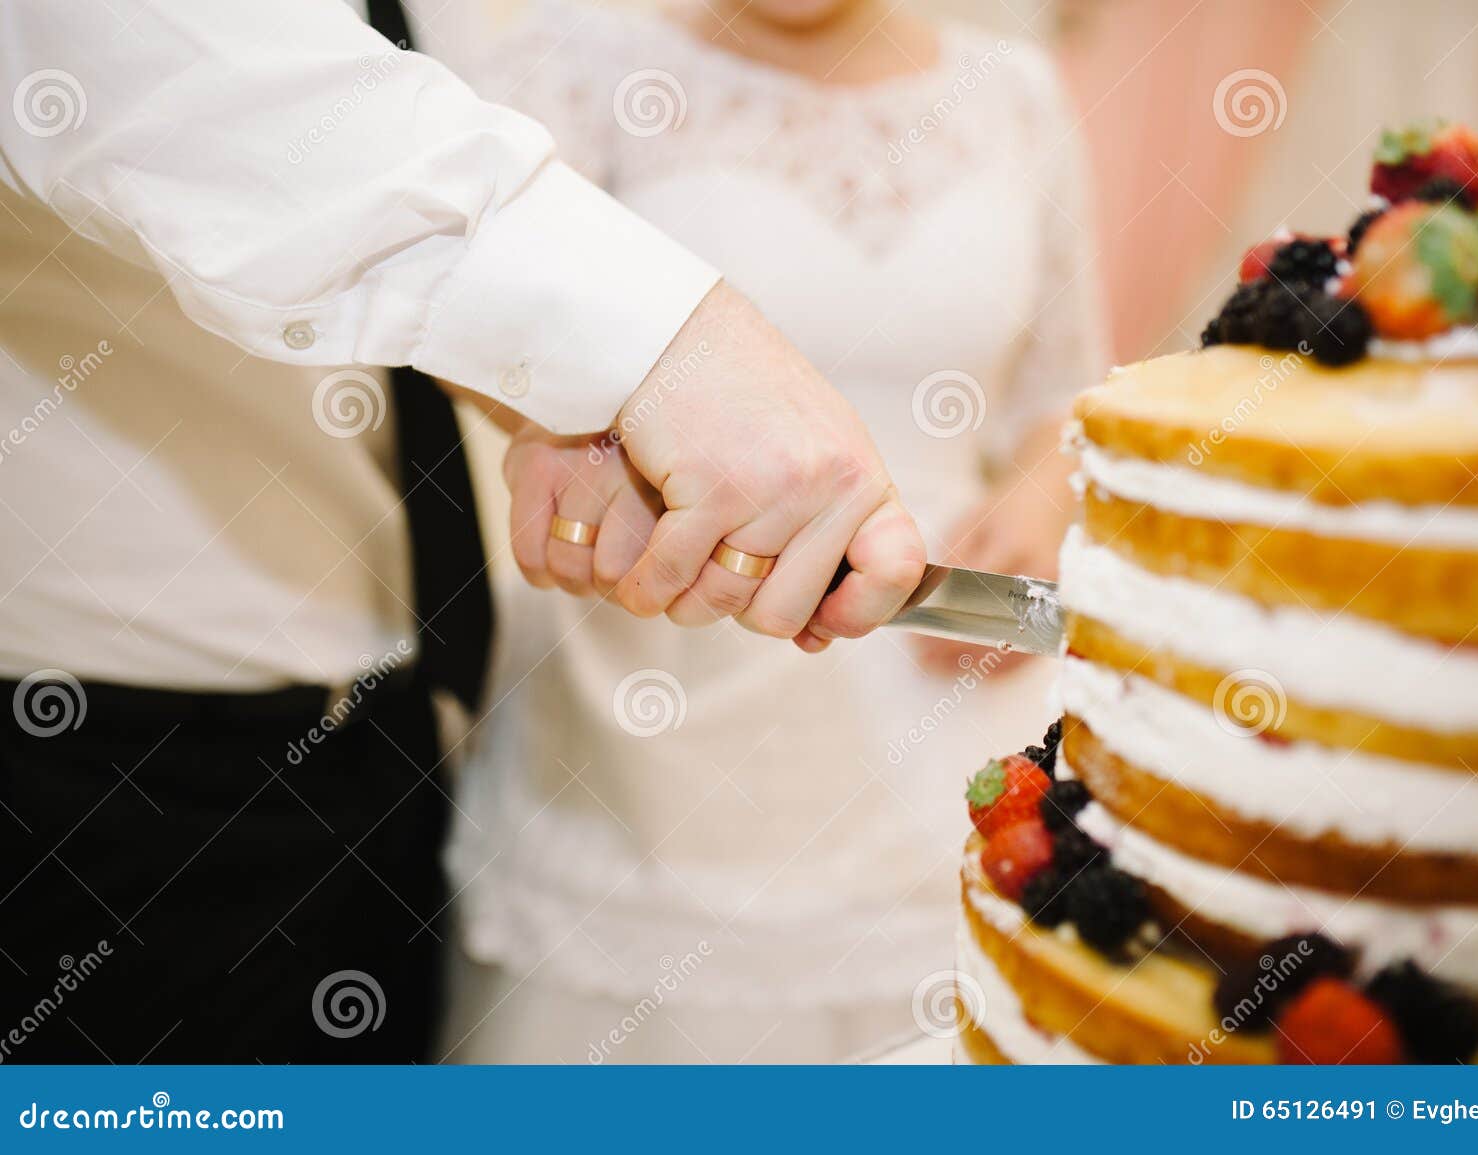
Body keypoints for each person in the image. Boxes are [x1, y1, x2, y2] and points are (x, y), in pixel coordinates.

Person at [0, 0, 923, 1063]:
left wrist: (558, 407)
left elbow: (389, 247)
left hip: (396, 729)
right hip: (113, 757)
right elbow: (192, 72)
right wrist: (667, 350)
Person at [441, 0, 1107, 1062]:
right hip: (673, 700)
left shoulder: (1016, 92)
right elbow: (468, 319)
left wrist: (1034, 505)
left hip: (951, 685)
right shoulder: (573, 57)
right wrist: (572, 435)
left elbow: (1060, 395)